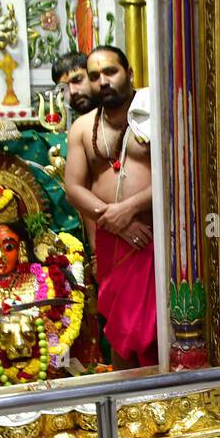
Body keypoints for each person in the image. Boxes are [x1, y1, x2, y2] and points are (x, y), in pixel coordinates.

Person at [64, 45, 157, 368]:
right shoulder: (82, 128)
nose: (103, 81)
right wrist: (116, 220)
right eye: (94, 76)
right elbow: (73, 187)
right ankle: (125, 410)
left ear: (130, 73)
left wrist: (128, 209)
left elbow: (175, 176)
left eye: (110, 72)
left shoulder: (153, 114)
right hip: (113, 242)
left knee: (151, 335)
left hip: (151, 239)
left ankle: (161, 402)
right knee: (119, 332)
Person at [51, 51, 98, 119]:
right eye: (63, 88)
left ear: (93, 76)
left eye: (78, 80)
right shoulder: (78, 127)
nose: (72, 91)